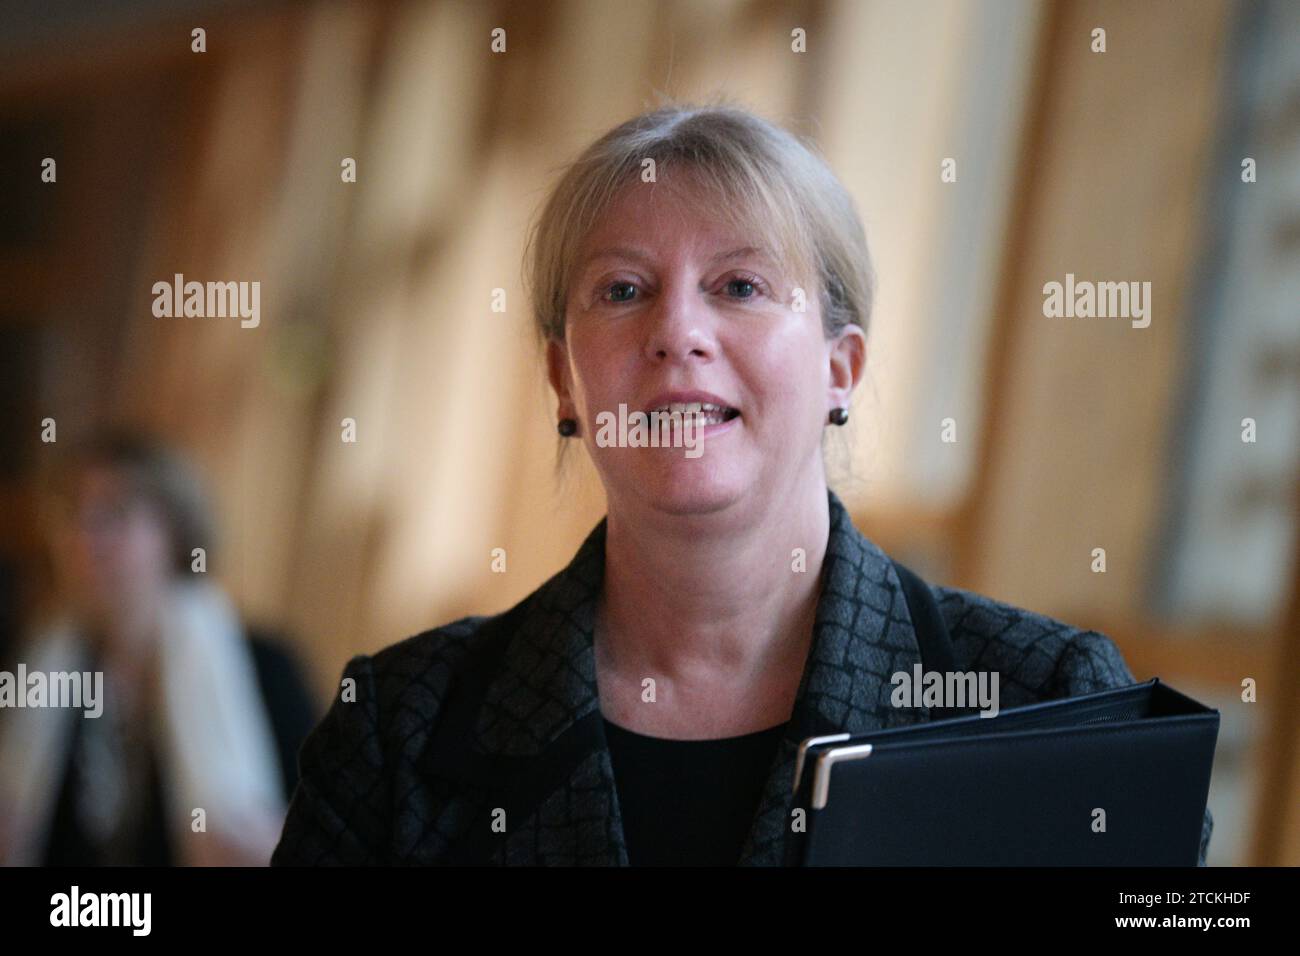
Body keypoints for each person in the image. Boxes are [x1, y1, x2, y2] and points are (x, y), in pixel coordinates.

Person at [272, 102, 1213, 866]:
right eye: (624, 290)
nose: (677, 331)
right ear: (565, 379)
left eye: (740, 286)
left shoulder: (1045, 706)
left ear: (840, 370)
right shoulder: (396, 729)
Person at [0, 432, 315, 865]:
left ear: (176, 531)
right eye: (73, 513)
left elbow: (318, 835)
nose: (83, 538)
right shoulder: (38, 660)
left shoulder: (264, 665)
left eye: (113, 514)